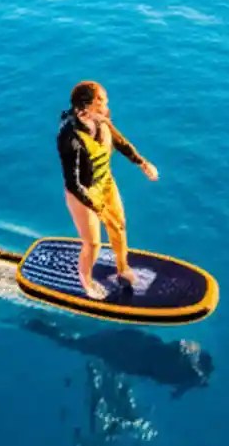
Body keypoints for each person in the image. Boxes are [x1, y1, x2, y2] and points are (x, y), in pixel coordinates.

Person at [57, 81, 159, 299]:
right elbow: (74, 183)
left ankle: (123, 269)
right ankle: (85, 280)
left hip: (105, 183)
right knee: (93, 243)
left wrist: (142, 163)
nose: (106, 104)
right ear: (86, 107)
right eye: (101, 101)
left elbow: (119, 142)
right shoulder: (70, 138)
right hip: (82, 194)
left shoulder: (101, 121)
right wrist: (97, 207)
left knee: (119, 227)